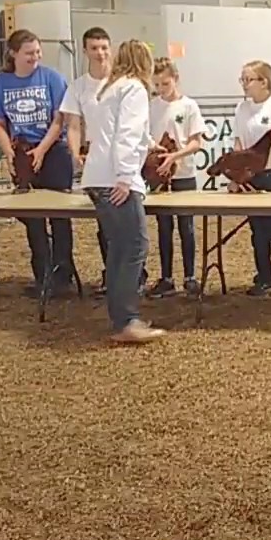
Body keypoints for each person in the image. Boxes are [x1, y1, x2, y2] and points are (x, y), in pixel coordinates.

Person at [79, 39, 164, 343]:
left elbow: (117, 132)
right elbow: (126, 135)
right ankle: (126, 318)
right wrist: (126, 176)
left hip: (97, 175)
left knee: (118, 248)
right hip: (115, 178)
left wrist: (151, 145)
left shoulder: (109, 89)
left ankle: (121, 316)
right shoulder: (135, 89)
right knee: (135, 246)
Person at [0, 29, 76, 298]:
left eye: (37, 52)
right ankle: (42, 274)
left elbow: (60, 119)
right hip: (21, 151)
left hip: (53, 152)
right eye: (29, 53)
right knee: (33, 218)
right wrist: (10, 154)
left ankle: (63, 277)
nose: (35, 57)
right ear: (13, 54)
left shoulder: (52, 78)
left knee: (60, 217)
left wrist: (42, 150)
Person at [60, 26, 117, 296]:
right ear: (85, 51)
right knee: (104, 224)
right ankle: (111, 273)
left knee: (126, 224)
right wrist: (75, 154)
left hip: (120, 163)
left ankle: (133, 275)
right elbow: (73, 124)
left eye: (104, 47)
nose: (100, 53)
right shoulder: (78, 86)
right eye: (94, 48)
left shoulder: (122, 82)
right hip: (95, 164)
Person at [232, 60, 271, 296]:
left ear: (264, 82)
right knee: (257, 230)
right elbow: (238, 143)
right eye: (243, 80)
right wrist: (236, 177)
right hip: (251, 176)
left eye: (248, 79)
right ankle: (264, 275)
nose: (244, 85)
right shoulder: (241, 109)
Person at [146, 56, 206, 298]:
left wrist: (175, 156)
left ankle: (190, 275)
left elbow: (196, 141)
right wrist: (157, 154)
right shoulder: (152, 107)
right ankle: (166, 276)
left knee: (186, 226)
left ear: (176, 80)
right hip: (159, 174)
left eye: (165, 84)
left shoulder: (189, 106)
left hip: (184, 174)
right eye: (157, 85)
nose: (161, 89)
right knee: (163, 226)